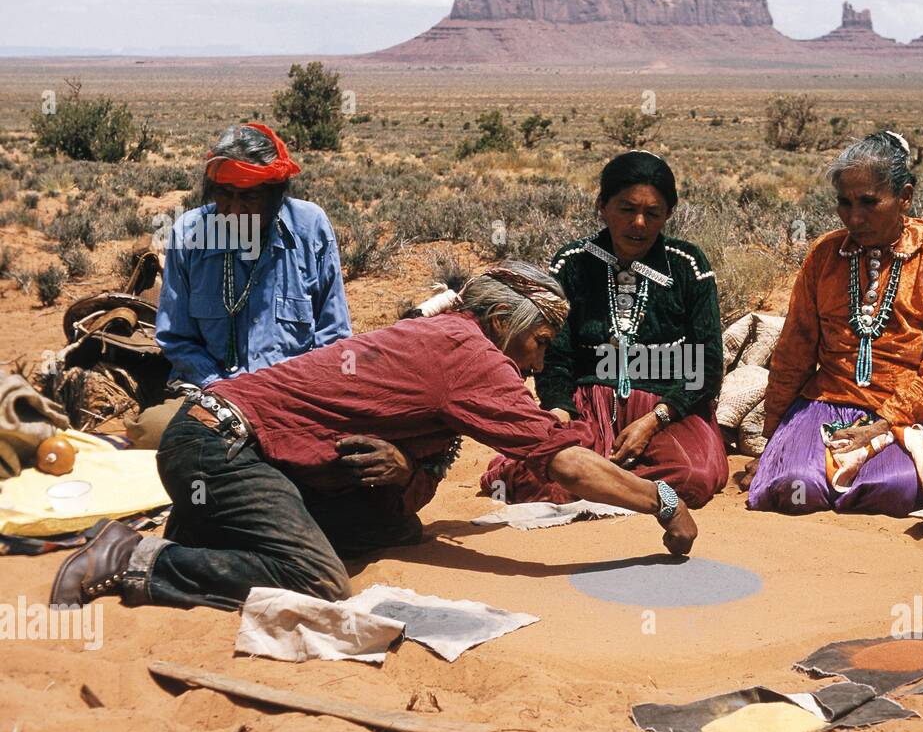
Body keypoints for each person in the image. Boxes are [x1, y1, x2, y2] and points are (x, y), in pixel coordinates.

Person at [50, 262, 697, 611]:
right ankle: (132, 558)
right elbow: (568, 466)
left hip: (225, 449)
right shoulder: (469, 354)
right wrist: (663, 502)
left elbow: (412, 497)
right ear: (503, 320)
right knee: (317, 582)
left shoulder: (447, 347)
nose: (534, 365)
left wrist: (401, 473)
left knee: (391, 530)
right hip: (220, 444)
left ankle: (209, 539)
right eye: (537, 343)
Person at [743, 132, 923, 516]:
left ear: (904, 197)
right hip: (827, 404)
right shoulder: (825, 254)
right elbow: (795, 350)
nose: (854, 217)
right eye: (844, 202)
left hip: (912, 413)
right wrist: (774, 441)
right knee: (794, 487)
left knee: (890, 486)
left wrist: (882, 425)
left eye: (870, 202)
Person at [481, 151, 728, 508]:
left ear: (669, 215)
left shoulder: (687, 264)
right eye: (627, 209)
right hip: (589, 406)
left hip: (667, 409)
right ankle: (624, 488)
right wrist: (559, 409)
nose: (639, 223)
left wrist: (654, 420)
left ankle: (606, 485)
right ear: (602, 206)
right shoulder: (574, 263)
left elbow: (705, 364)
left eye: (653, 213)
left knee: (694, 477)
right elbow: (557, 353)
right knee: (543, 481)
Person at [129, 123, 351, 447]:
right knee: (154, 434)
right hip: (214, 395)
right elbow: (176, 338)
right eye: (224, 194)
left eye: (249, 196)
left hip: (296, 397)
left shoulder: (310, 227)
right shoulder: (189, 234)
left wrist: (288, 397)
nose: (233, 209)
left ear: (275, 195)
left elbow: (333, 336)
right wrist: (225, 393)